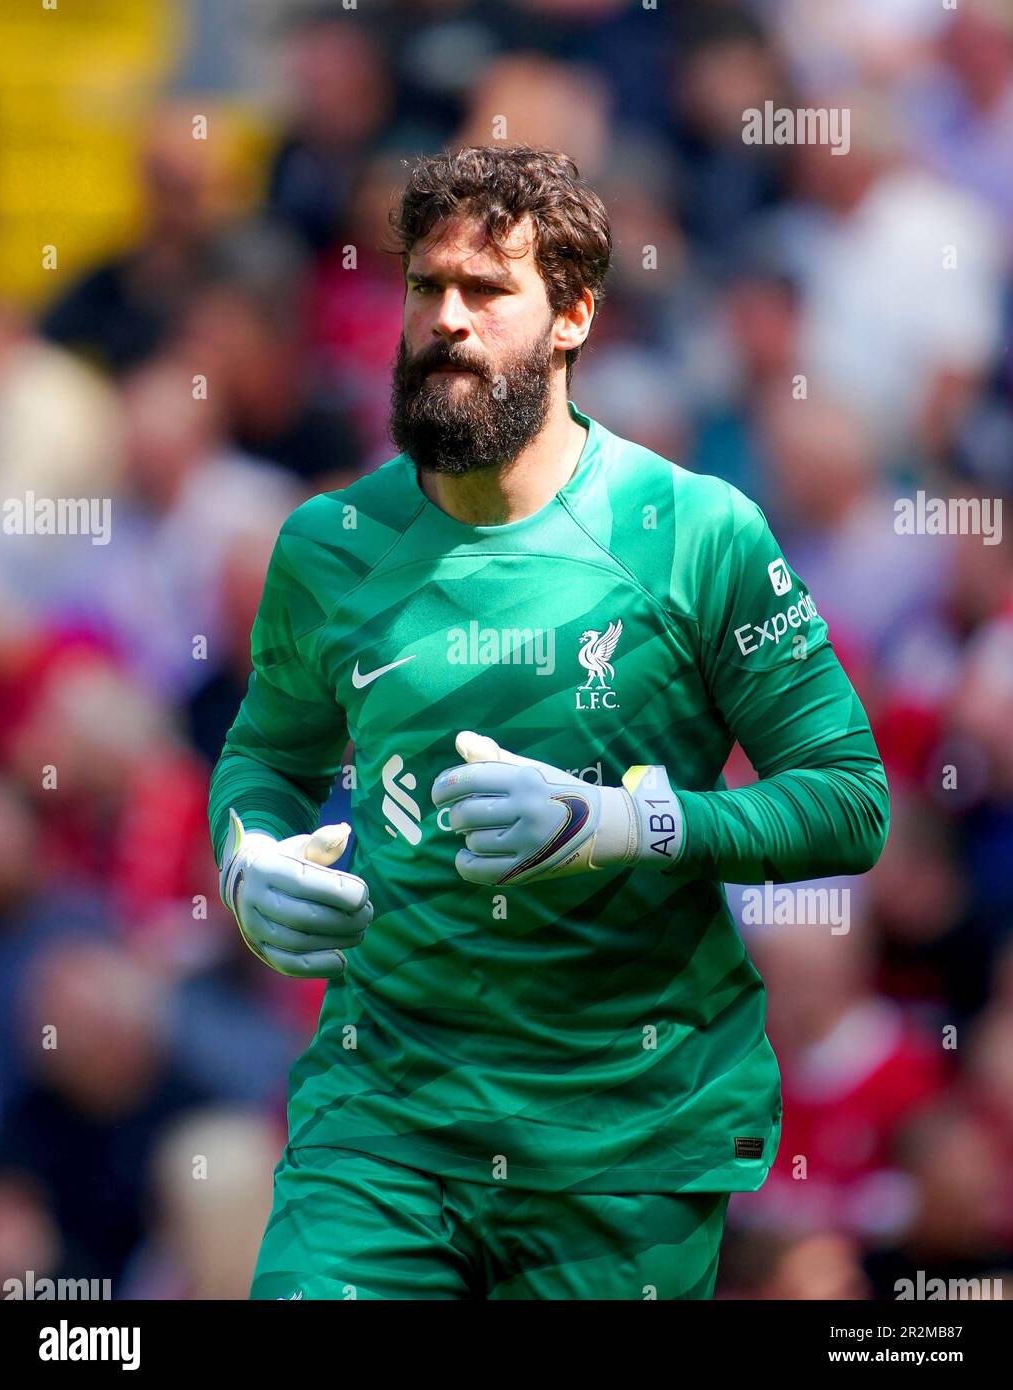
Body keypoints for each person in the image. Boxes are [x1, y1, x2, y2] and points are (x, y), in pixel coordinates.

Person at [207, 144, 890, 1301]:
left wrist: (630, 825)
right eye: (426, 287)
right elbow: (268, 754)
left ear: (572, 314)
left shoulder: (693, 530)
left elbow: (848, 801)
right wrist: (246, 855)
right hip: (385, 1126)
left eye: (487, 290)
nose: (448, 321)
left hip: (622, 1141)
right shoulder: (326, 548)